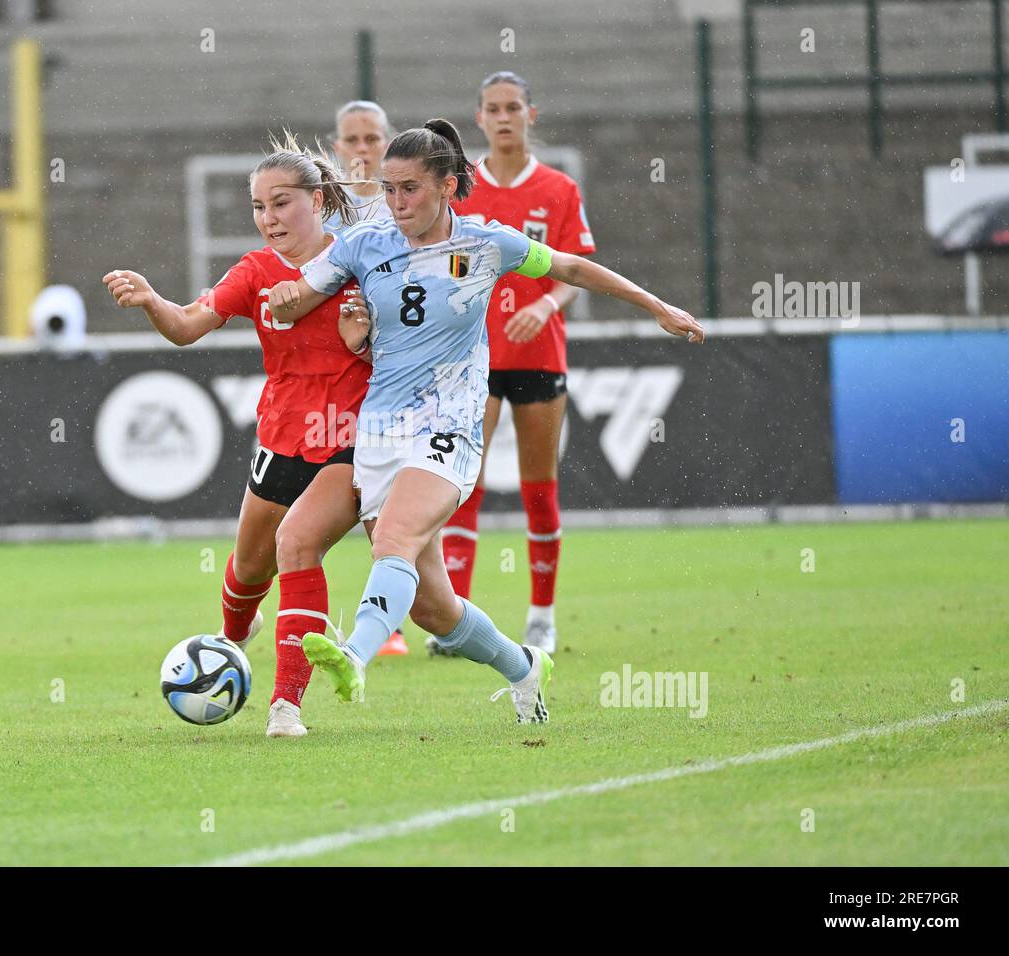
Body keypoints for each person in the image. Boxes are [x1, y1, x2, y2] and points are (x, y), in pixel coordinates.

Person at [267, 119, 704, 723]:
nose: (396, 203)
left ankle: (354, 656)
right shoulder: (364, 243)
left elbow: (572, 269)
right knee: (434, 610)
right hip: (380, 433)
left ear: (448, 186)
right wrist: (288, 302)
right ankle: (524, 668)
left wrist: (658, 306)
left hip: (449, 427)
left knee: (392, 541)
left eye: (410, 189)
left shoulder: (486, 243)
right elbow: (298, 294)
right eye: (389, 189)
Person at [102, 134, 381, 738]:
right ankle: (230, 644)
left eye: (281, 203)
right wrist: (152, 300)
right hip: (282, 437)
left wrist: (369, 337)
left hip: (352, 439)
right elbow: (186, 328)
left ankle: (286, 706)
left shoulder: (363, 258)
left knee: (298, 548)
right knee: (248, 571)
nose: (268, 218)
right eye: (258, 206)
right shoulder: (253, 271)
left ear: (318, 199)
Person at [438, 70, 596, 655]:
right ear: (478, 119)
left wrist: (548, 303)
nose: (503, 117)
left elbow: (574, 272)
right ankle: (456, 623)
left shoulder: (557, 189)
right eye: (492, 108)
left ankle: (542, 616)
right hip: (471, 359)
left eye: (513, 107)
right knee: (462, 484)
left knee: (538, 485)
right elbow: (446, 261)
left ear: (532, 114)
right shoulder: (462, 188)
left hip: (538, 354)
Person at [325, 101, 395, 231]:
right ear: (337, 148)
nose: (362, 148)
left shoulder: (401, 206)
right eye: (351, 140)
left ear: (386, 146)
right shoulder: (321, 206)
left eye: (371, 138)